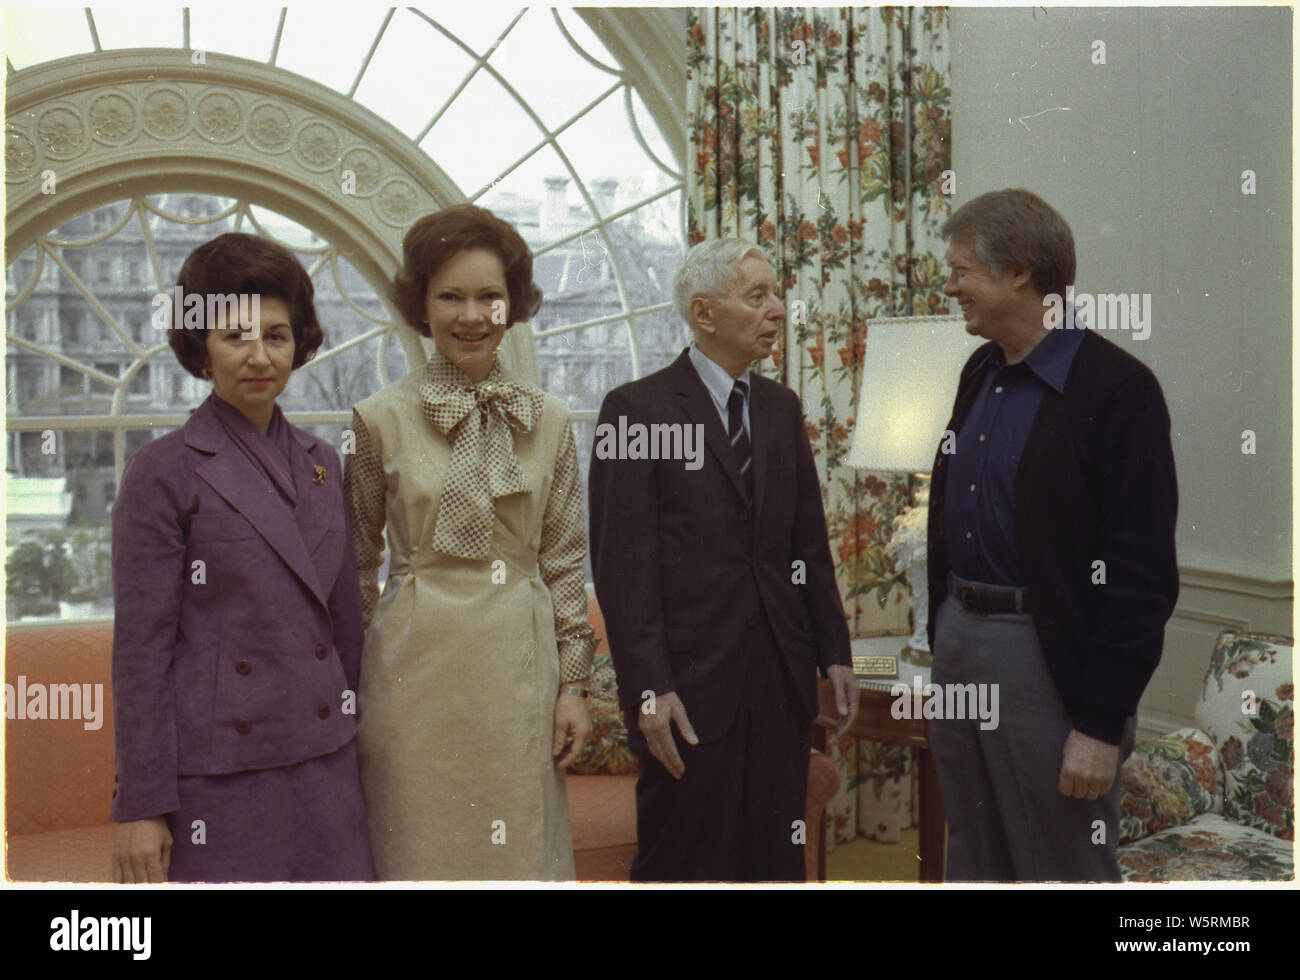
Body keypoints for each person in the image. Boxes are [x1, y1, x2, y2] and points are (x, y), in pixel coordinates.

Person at [587, 238, 859, 882]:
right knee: (685, 862)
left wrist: (835, 652)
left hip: (779, 682)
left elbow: (807, 546)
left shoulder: (780, 409)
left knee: (773, 864)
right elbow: (622, 569)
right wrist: (649, 689)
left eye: (776, 294)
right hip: (684, 689)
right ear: (704, 314)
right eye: (757, 296)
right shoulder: (634, 410)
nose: (777, 310)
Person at [927, 188, 1179, 881]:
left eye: (962, 271)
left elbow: (1142, 575)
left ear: (1019, 273)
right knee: (974, 853)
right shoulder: (979, 371)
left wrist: (1100, 725)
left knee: (1060, 866)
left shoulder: (1118, 390)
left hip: (1043, 657)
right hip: (958, 639)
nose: (950, 287)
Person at [110, 233, 374, 883]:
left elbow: (345, 635)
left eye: (277, 336)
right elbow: (141, 655)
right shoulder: (162, 471)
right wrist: (141, 808)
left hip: (327, 767)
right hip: (220, 781)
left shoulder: (322, 463)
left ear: (299, 343)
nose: (260, 357)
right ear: (201, 348)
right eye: (235, 337)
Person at [345, 204, 595, 881]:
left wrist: (574, 685)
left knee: (515, 852)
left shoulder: (550, 421)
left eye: (489, 296)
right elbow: (357, 562)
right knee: (418, 852)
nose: (472, 315)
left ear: (513, 305)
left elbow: (566, 561)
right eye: (450, 296)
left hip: (518, 668)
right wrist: (373, 661)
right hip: (411, 676)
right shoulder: (377, 421)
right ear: (421, 306)